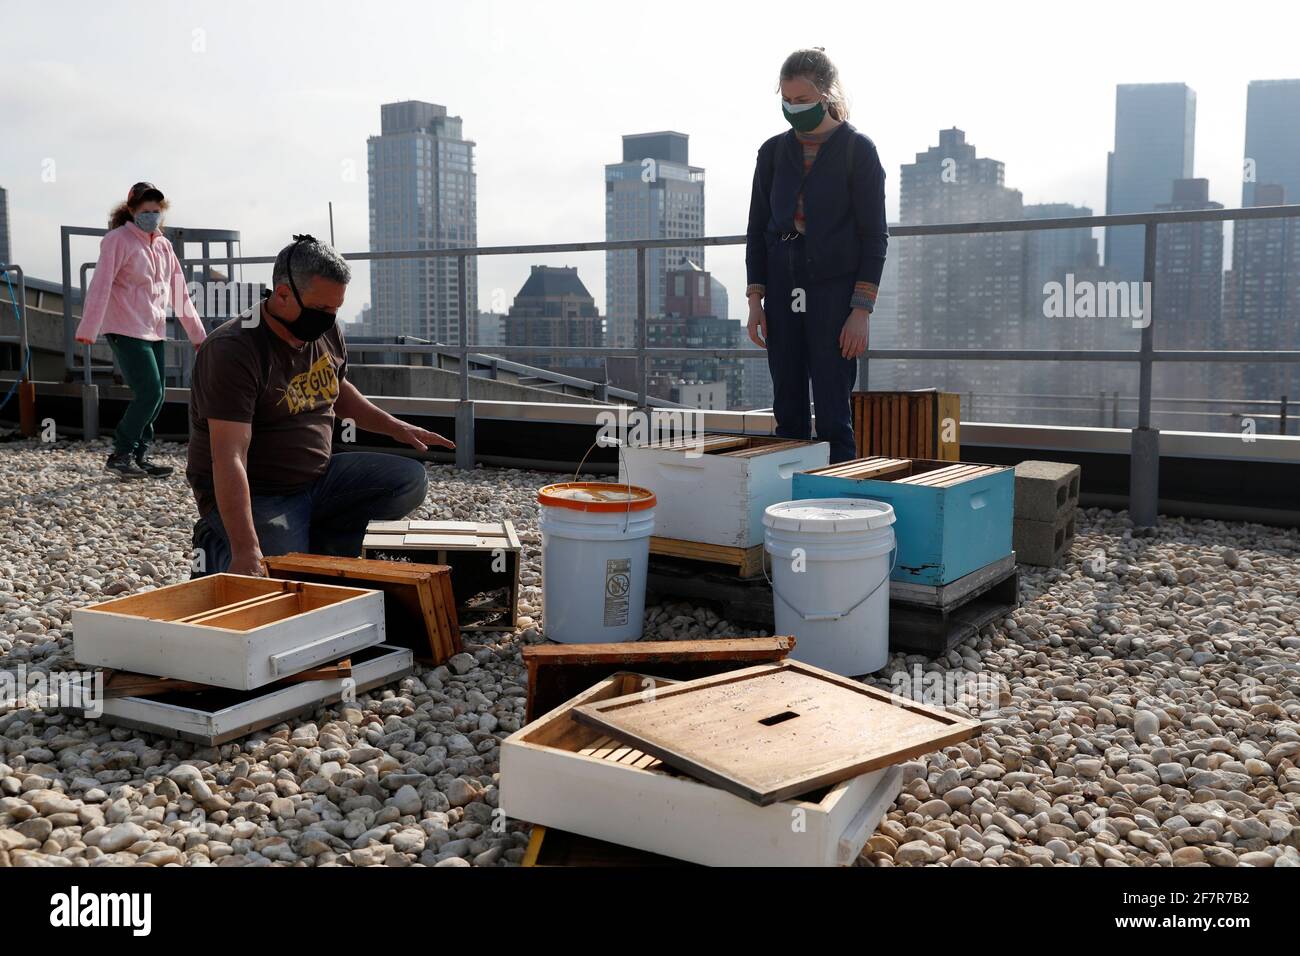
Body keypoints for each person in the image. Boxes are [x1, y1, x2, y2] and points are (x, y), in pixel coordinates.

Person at [187, 234, 454, 577]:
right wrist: (246, 549)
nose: (329, 318)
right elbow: (228, 456)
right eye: (322, 309)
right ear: (282, 294)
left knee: (407, 481)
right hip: (261, 493)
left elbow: (336, 388)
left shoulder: (323, 332)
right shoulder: (233, 350)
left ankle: (321, 542)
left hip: (318, 478)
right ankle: (217, 546)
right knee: (276, 570)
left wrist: (395, 427)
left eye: (336, 309)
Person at [745, 48, 888, 463]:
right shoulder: (771, 153)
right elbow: (757, 230)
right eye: (786, 100)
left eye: (802, 100)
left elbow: (874, 236)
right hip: (782, 280)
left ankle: (837, 510)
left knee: (833, 411)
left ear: (826, 94)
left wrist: (861, 310)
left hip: (834, 289)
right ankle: (785, 508)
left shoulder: (857, 150)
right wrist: (756, 302)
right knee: (786, 407)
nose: (793, 108)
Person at [74, 181, 207, 478]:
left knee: (157, 395)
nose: (151, 215)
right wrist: (89, 328)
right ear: (132, 210)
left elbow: (180, 292)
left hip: (153, 327)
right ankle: (120, 453)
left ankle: (139, 455)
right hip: (124, 326)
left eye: (156, 211)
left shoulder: (163, 245)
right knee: (148, 391)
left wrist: (199, 337)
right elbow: (101, 284)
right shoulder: (117, 240)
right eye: (145, 210)